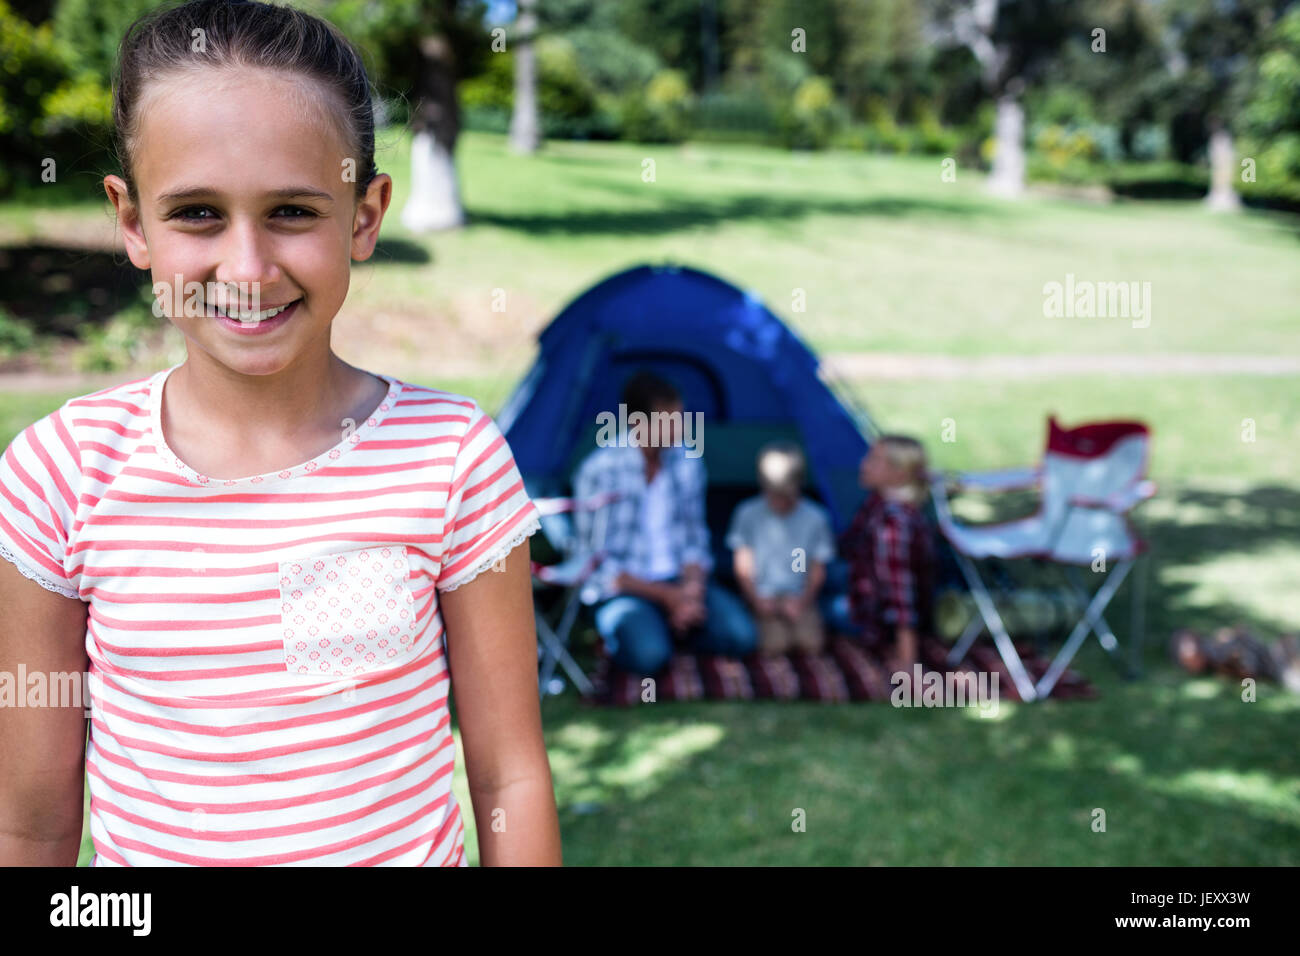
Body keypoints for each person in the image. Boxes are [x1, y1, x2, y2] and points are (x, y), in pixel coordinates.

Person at [0, 0, 560, 867]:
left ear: (365, 216)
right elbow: (30, 825)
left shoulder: (452, 459)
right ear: (131, 220)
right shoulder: (58, 477)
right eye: (196, 214)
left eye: (294, 212)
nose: (249, 268)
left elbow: (508, 778)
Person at [572, 370, 756, 677]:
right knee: (649, 656)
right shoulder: (600, 471)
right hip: (627, 589)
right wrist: (668, 597)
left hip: (678, 580)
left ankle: (674, 623)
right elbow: (594, 562)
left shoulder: (687, 461)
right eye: (667, 421)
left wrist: (692, 590)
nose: (679, 428)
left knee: (741, 636)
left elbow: (694, 538)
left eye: (680, 418)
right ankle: (656, 629)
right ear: (637, 423)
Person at [726, 442, 835, 657]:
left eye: (786, 495)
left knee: (811, 644)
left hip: (798, 595)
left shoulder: (816, 518)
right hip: (763, 595)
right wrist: (755, 599)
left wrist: (802, 601)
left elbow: (817, 569)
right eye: (774, 495)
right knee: (773, 646)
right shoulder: (747, 514)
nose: (780, 502)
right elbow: (743, 563)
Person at [838, 436, 937, 672]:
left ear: (899, 473)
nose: (864, 464)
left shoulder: (893, 524)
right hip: (860, 581)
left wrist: (907, 662)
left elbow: (900, 590)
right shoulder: (877, 504)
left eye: (874, 459)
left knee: (820, 605)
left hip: (873, 614)